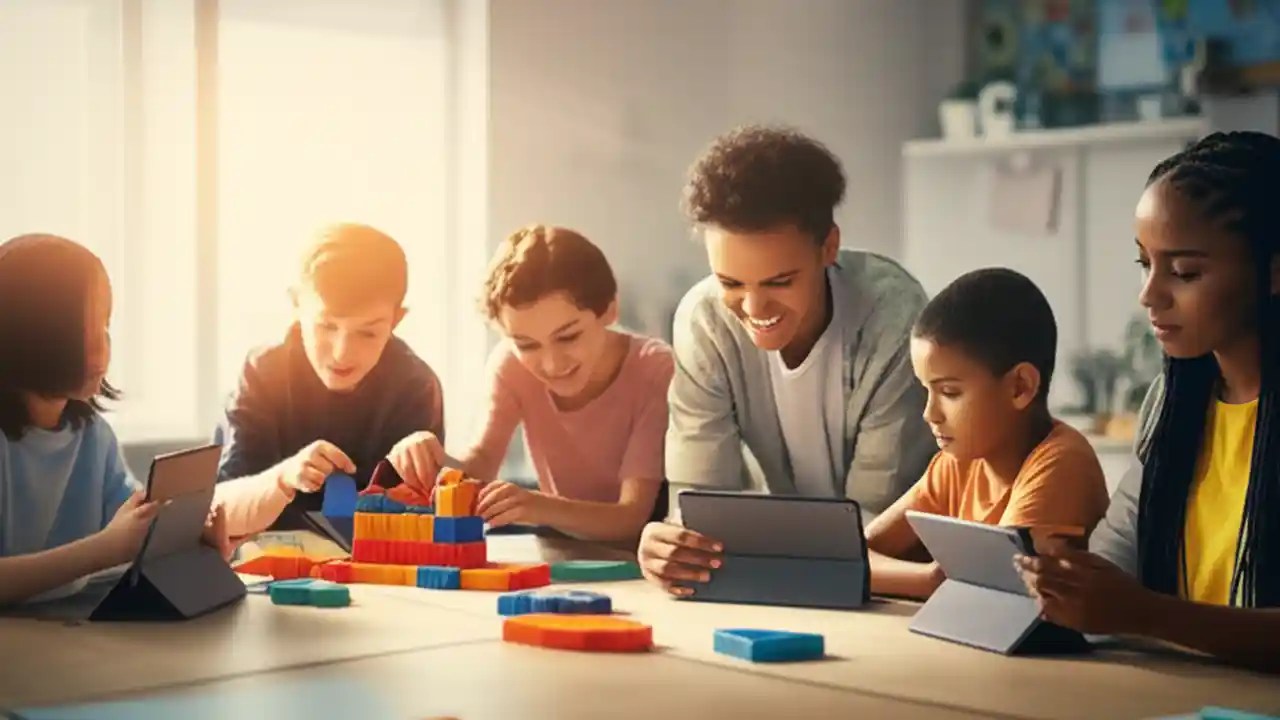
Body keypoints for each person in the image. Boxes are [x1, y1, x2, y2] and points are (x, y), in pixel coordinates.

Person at [1017, 132, 1280, 674]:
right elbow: (1116, 566)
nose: (1150, 294)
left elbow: (1135, 609)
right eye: (1145, 264)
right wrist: (1061, 578)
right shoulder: (1172, 403)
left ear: (1274, 271)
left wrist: (1148, 614)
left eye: (1184, 273)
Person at [639, 125, 935, 595]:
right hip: (784, 576)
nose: (753, 308)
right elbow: (698, 504)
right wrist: (672, 544)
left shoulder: (892, 313)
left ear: (829, 247)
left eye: (779, 282)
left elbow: (877, 519)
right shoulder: (703, 320)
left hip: (888, 576)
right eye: (731, 283)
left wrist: (747, 550)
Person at [387, 225, 674, 542]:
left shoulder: (654, 369)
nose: (551, 364)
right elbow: (480, 465)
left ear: (609, 311)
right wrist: (430, 455)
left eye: (568, 337)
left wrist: (536, 506)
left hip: (646, 556)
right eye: (526, 345)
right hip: (564, 548)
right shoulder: (510, 366)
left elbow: (631, 518)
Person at [0, 234, 227, 605]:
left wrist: (187, 542)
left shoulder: (93, 436)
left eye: (105, 326)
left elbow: (131, 533)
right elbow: (111, 547)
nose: (103, 346)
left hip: (65, 626)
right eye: (83, 329)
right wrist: (102, 550)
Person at [864, 268, 1108, 599]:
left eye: (949, 392)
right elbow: (855, 554)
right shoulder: (958, 463)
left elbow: (997, 592)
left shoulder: (1062, 464)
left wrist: (938, 580)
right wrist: (930, 579)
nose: (929, 413)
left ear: (1020, 387)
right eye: (926, 390)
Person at [214, 223, 445, 536]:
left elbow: (425, 523)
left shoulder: (415, 386)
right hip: (266, 556)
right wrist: (283, 479)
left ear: (396, 319)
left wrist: (426, 479)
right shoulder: (264, 373)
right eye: (326, 326)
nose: (342, 353)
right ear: (296, 304)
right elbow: (217, 513)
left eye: (368, 333)